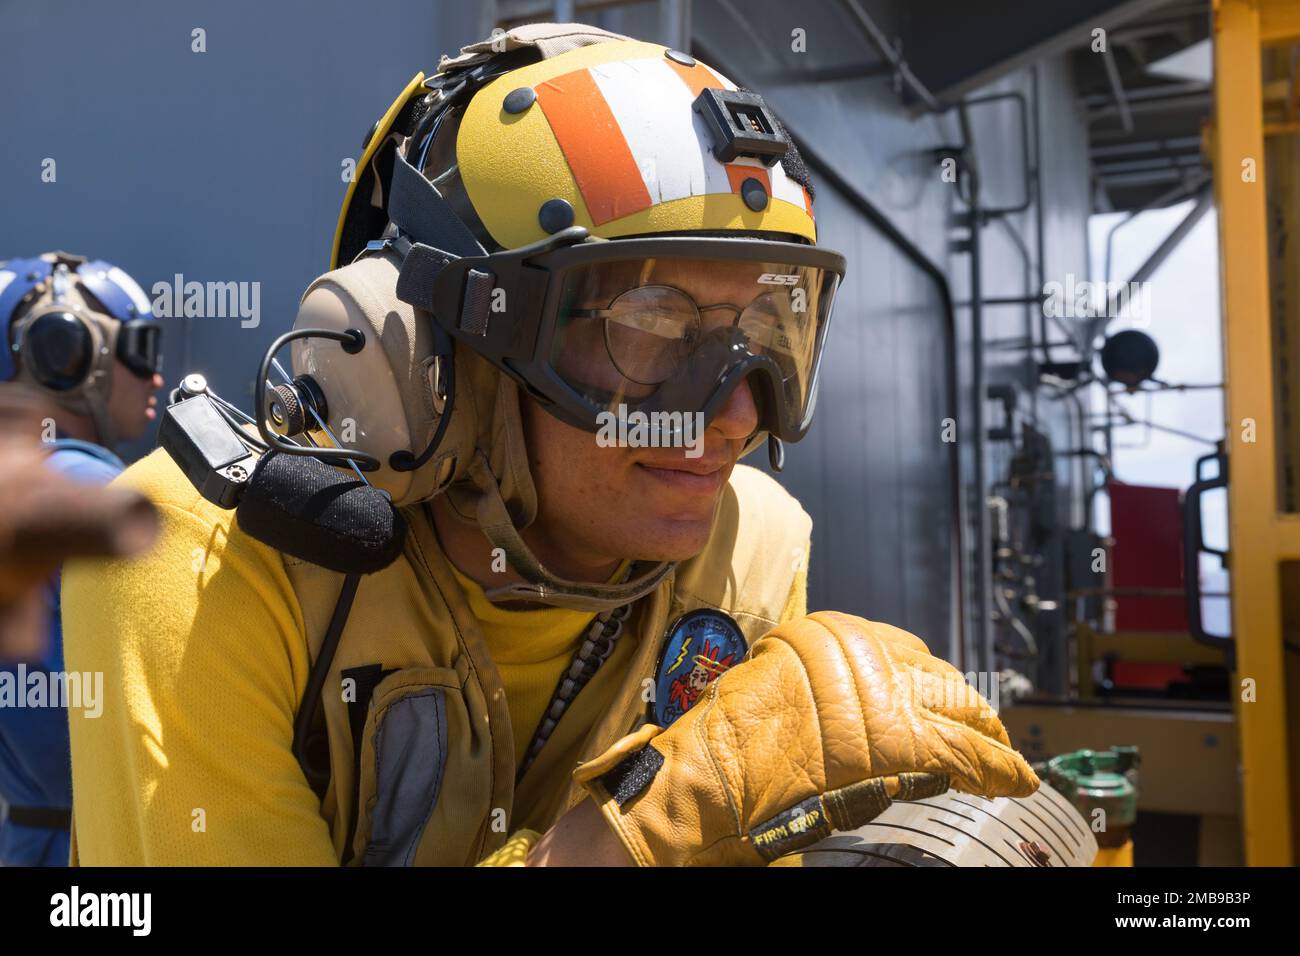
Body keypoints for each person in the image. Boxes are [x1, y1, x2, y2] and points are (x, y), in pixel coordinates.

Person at [62, 23, 1037, 867]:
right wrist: (641, 825)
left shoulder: (750, 547)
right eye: (650, 326)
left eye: (770, 333)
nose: (735, 415)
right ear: (427, 353)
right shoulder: (191, 560)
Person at [0, 252, 163, 866]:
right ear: (62, 351)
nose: (155, 374)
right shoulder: (93, 495)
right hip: (101, 852)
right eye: (140, 347)